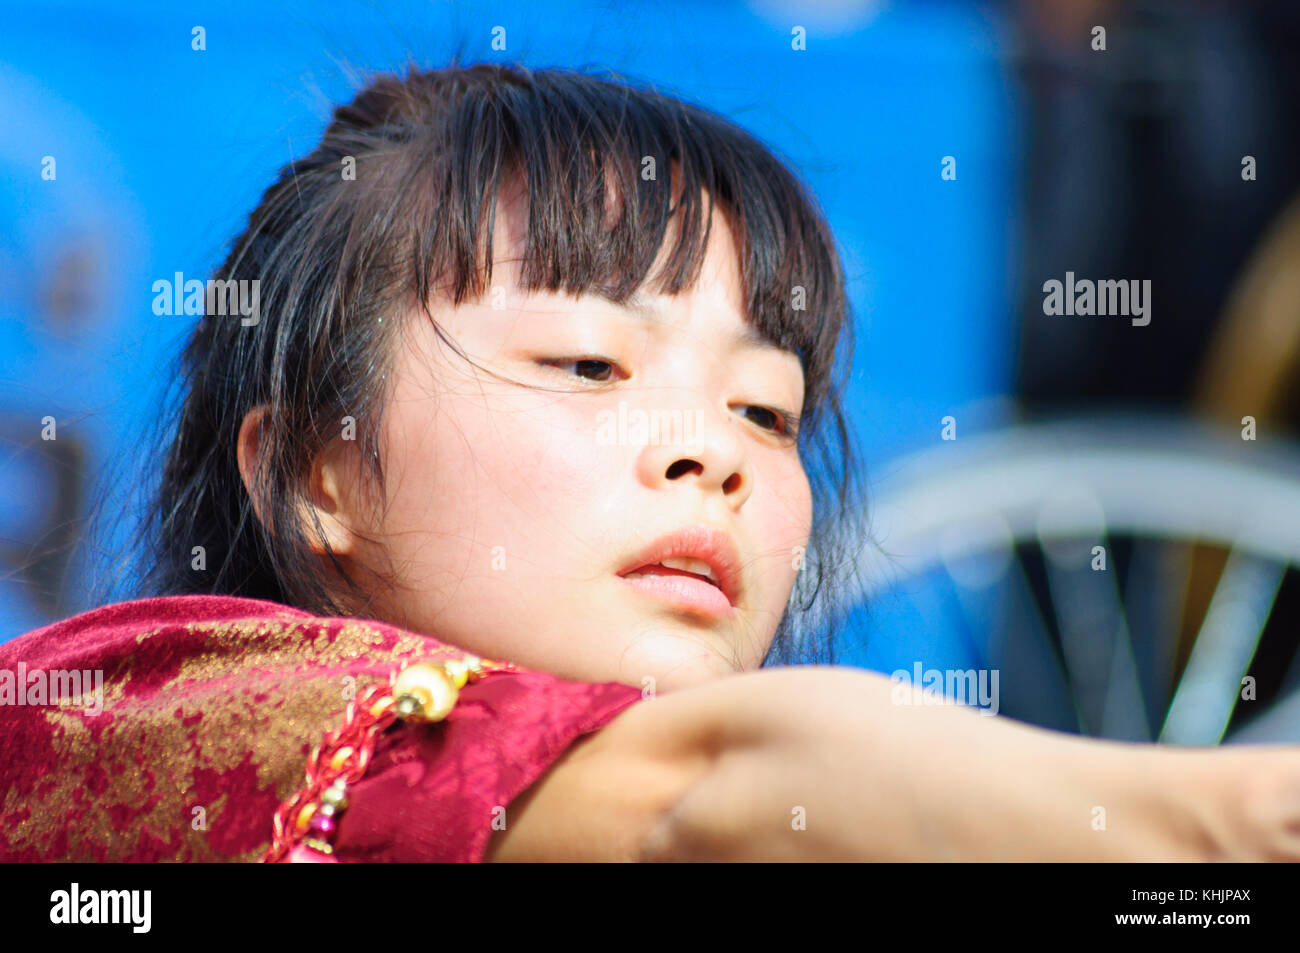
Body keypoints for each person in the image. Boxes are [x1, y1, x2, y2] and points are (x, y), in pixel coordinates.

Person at [2, 61, 1298, 862]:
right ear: (315, 474)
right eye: (587, 364)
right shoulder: (114, 716)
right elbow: (709, 788)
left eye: (766, 410)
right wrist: (1232, 822)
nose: (712, 454)